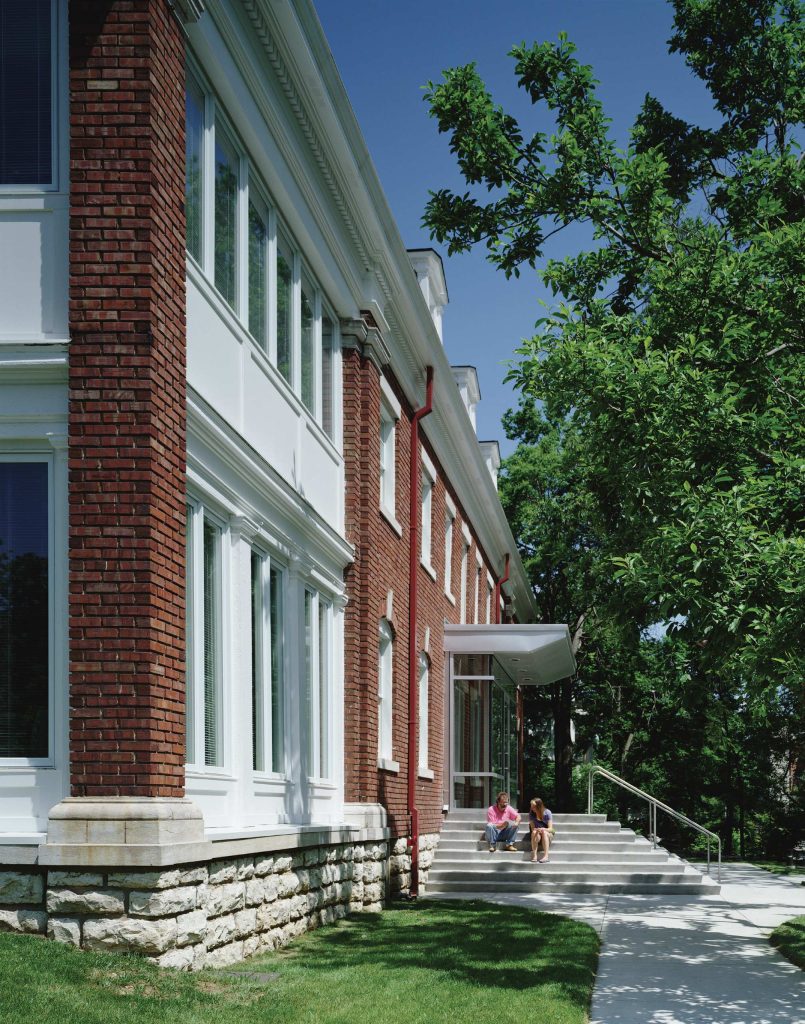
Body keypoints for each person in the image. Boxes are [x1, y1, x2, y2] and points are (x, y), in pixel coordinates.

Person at [529, 797, 554, 863]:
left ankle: (546, 856)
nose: (532, 808)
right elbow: (532, 828)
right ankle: (534, 855)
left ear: (539, 806)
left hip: (547, 833)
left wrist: (543, 829)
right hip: (537, 833)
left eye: (533, 806)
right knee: (534, 832)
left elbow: (551, 829)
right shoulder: (531, 814)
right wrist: (537, 831)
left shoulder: (547, 812)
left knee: (544, 832)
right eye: (531, 806)